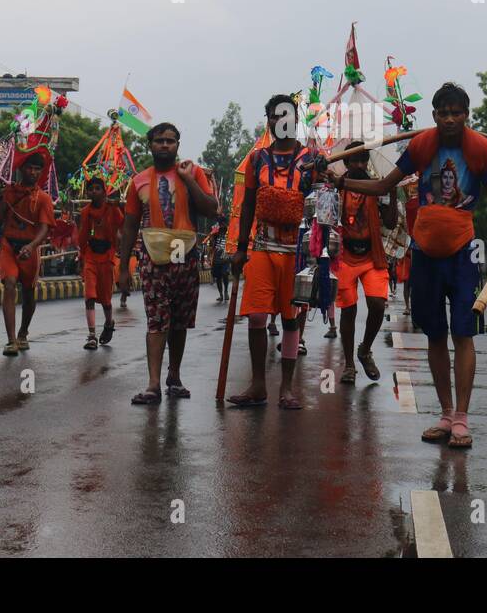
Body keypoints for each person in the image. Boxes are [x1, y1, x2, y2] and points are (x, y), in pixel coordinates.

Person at [335, 82, 487, 448]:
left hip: (463, 253)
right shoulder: (420, 147)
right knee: (435, 334)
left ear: (467, 115)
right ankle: (446, 414)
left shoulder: (481, 150)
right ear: (434, 116)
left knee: (463, 334)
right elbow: (385, 184)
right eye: (443, 113)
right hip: (425, 255)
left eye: (457, 112)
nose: (450, 119)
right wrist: (341, 180)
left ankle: (462, 419)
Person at [228, 94, 322, 410]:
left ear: (296, 120)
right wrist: (240, 248)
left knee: (290, 319)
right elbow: (249, 203)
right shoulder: (257, 160)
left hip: (296, 251)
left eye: (287, 115)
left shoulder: (311, 160)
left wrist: (322, 174)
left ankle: (286, 388)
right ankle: (258, 385)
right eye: (274, 115)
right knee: (256, 316)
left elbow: (323, 197)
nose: (280, 121)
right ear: (268, 120)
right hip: (263, 247)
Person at [118, 123, 218, 405]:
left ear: (177, 145)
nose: (165, 145)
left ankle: (174, 377)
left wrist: (188, 180)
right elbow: (129, 226)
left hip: (185, 257)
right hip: (153, 259)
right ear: (150, 145)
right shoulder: (138, 181)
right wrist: (123, 267)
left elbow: (211, 209)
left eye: (170, 141)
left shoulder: (193, 172)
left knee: (179, 321)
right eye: (160, 141)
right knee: (157, 319)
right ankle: (153, 384)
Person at [332, 142, 398, 384]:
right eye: (355, 160)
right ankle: (349, 365)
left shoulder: (377, 186)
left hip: (372, 257)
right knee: (348, 311)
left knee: (377, 305)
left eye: (363, 160)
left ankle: (365, 349)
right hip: (345, 257)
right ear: (346, 163)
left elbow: (390, 223)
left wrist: (391, 191)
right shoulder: (337, 188)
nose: (360, 165)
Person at [0, 152, 56, 357]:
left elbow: (45, 229)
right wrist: (1, 197)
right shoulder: (8, 191)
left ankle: (23, 332)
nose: (33, 172)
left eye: (37, 169)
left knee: (29, 292)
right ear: (21, 169)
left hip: (30, 249)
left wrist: (32, 246)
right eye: (29, 168)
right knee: (9, 283)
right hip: (8, 245)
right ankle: (11, 340)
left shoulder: (44, 198)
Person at [77, 176, 123, 349]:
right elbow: (82, 236)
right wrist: (81, 257)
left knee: (106, 299)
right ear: (87, 192)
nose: (94, 191)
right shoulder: (85, 212)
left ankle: (109, 323)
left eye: (97, 188)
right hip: (90, 256)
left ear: (104, 192)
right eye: (91, 189)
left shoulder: (112, 209)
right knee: (89, 295)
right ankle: (91, 335)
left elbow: (123, 227)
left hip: (107, 257)